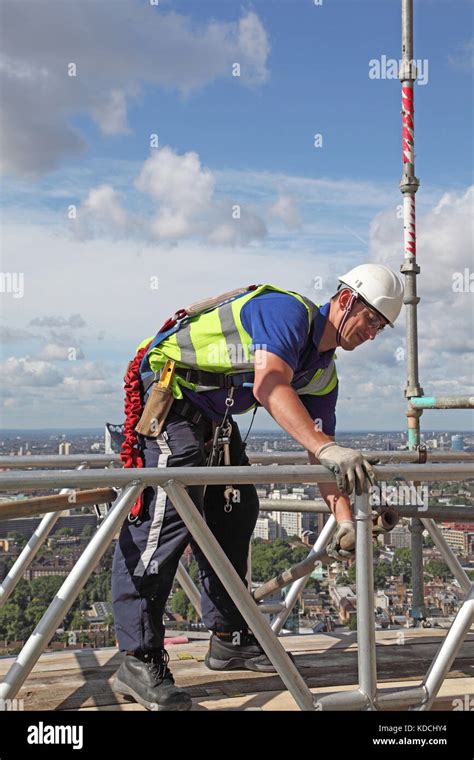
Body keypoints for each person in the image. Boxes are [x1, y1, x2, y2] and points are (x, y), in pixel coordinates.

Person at [111, 262, 404, 711]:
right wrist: (326, 447)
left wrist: (344, 520)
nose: (373, 333)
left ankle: (228, 635)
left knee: (236, 509)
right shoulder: (286, 312)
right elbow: (270, 386)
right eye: (371, 319)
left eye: (381, 327)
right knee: (163, 519)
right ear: (346, 300)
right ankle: (138, 656)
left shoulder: (322, 372)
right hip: (173, 396)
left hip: (213, 418)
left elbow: (317, 452)